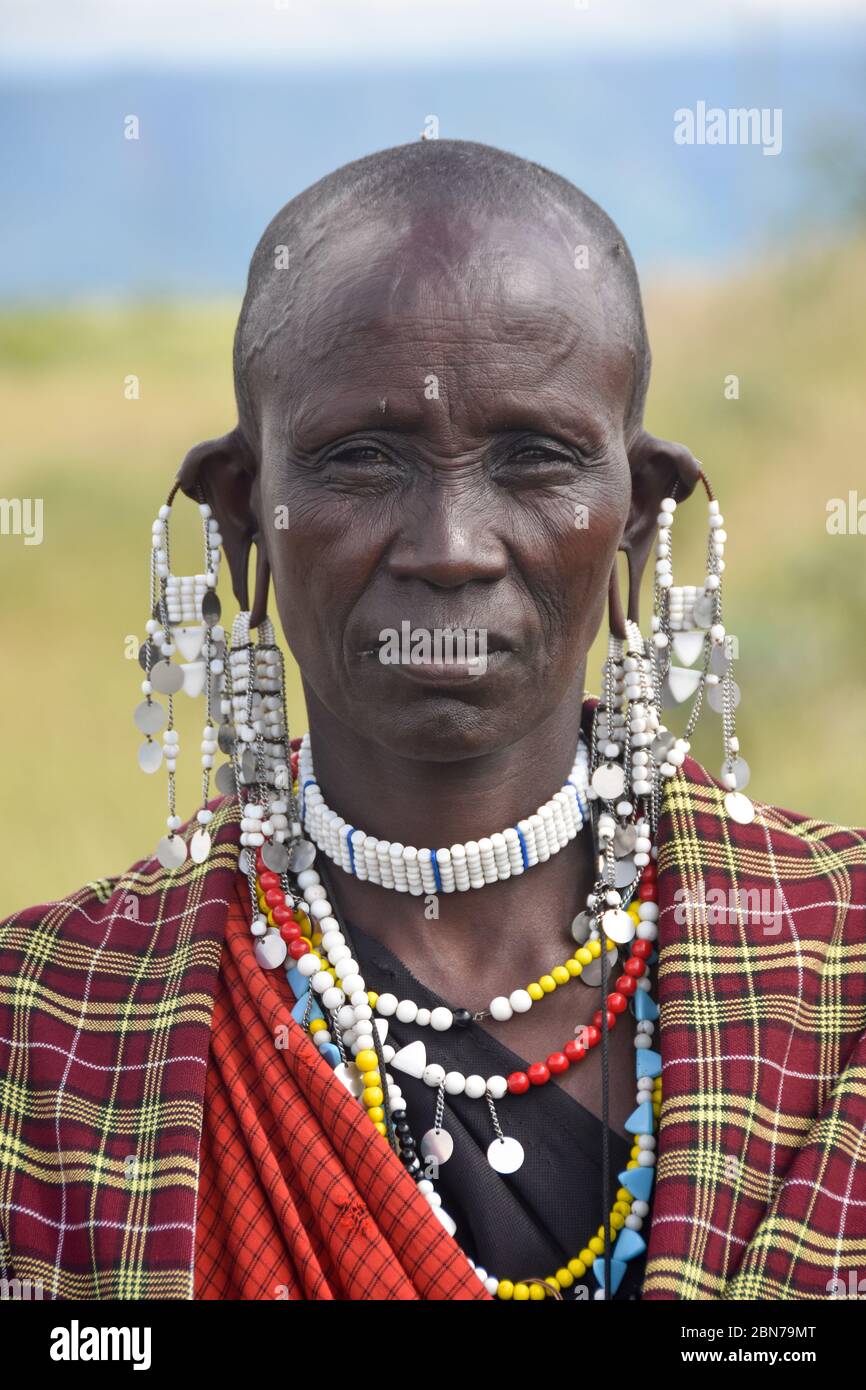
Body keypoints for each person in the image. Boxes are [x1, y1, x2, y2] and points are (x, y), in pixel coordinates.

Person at [1, 140, 864, 1303]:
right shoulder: (50, 1041)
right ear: (245, 516)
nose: (450, 545)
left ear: (637, 522)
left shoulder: (835, 965)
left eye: (532, 458)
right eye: (362, 458)